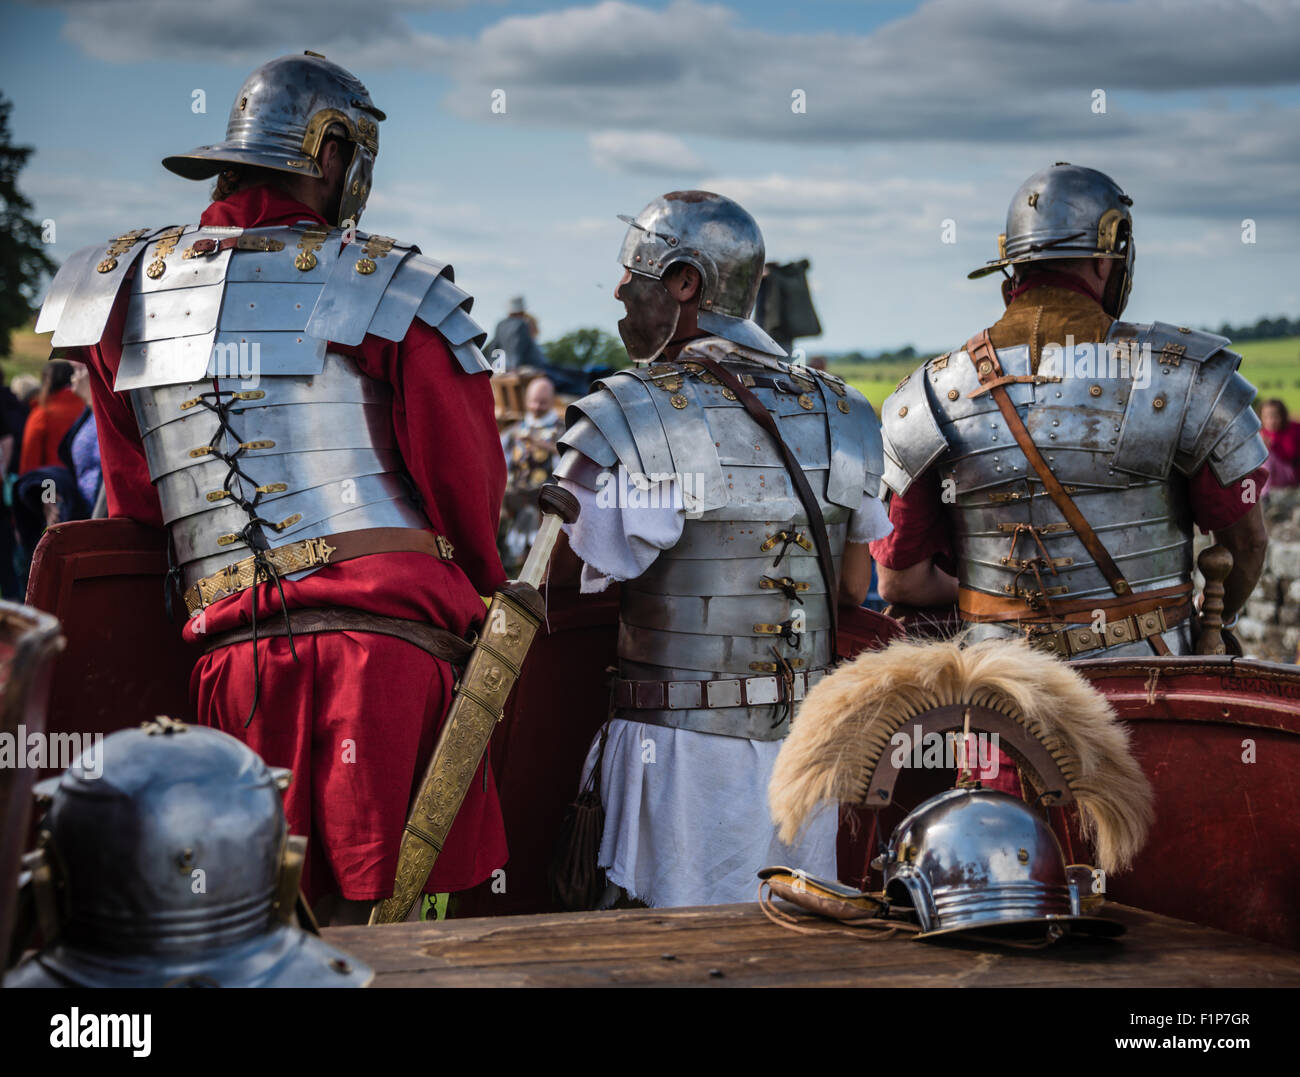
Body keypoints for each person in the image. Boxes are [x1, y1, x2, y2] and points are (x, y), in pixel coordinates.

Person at [34, 52, 508, 923]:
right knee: (403, 934)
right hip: (389, 662)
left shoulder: (121, 289)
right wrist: (483, 585)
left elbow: (139, 510)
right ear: (331, 155)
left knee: (248, 921)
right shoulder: (391, 286)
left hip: (232, 661)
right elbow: (467, 492)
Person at [551, 191, 890, 907]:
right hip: (804, 750)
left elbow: (561, 593)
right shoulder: (843, 409)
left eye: (633, 272)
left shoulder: (635, 412)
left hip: (678, 754)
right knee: (796, 946)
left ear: (685, 282)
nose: (618, 289)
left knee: (668, 952)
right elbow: (854, 590)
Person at [871, 164, 1269, 657]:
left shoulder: (929, 395)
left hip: (995, 684)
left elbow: (898, 581)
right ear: (1109, 260)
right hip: (1150, 677)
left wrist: (1000, 610)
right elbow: (1246, 545)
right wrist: (1212, 620)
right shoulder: (1187, 376)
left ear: (1011, 266)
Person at [499, 375, 562, 573]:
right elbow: (498, 458)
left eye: (542, 402)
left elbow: (568, 461)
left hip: (545, 501)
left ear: (551, 401)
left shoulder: (562, 431)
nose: (536, 406)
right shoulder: (514, 431)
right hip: (515, 498)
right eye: (533, 401)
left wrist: (544, 445)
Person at [17, 360, 83, 474]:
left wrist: (27, 485)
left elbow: (30, 456)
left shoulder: (42, 414)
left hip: (51, 482)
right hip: (86, 481)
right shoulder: (88, 408)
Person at [485, 296, 548, 371]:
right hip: (528, 367)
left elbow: (494, 348)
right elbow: (518, 348)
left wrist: (493, 368)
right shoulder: (522, 324)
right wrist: (515, 367)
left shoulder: (500, 325)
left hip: (505, 367)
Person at [1260, 399, 1300, 494]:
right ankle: (1263, 494)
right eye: (1266, 417)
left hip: (1293, 474)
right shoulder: (1261, 435)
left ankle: (1264, 495)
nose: (1271, 421)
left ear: (1283, 416)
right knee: (1264, 453)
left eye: (1275, 417)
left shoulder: (1294, 430)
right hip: (1274, 480)